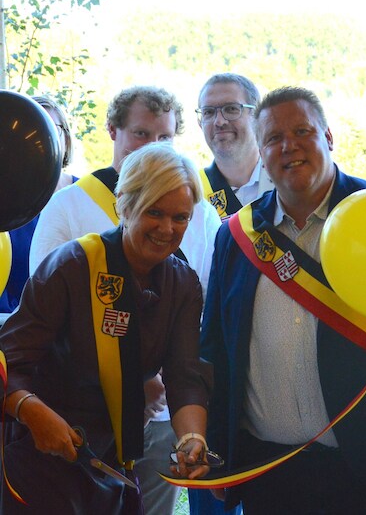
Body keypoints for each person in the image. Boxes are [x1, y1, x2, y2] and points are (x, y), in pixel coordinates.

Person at [201, 86, 366, 513]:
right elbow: (214, 350)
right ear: (261, 153)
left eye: (302, 131)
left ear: (329, 137)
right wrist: (216, 448)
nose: (289, 146)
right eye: (273, 138)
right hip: (269, 473)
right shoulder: (236, 236)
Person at [29, 85, 222, 515]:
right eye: (154, 212)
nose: (167, 228)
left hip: (149, 428)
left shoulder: (189, 260)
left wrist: (191, 434)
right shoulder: (69, 237)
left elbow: (190, 353)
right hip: (64, 432)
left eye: (180, 217)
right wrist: (34, 411)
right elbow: (27, 341)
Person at [0, 96, 78, 321]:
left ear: (66, 137)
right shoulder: (8, 205)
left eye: (52, 128)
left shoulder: (84, 196)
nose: (42, 138)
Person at [196, 73, 273, 219]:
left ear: (257, 116)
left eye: (231, 109)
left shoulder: (286, 181)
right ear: (200, 123)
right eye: (209, 112)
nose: (219, 122)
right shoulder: (192, 191)